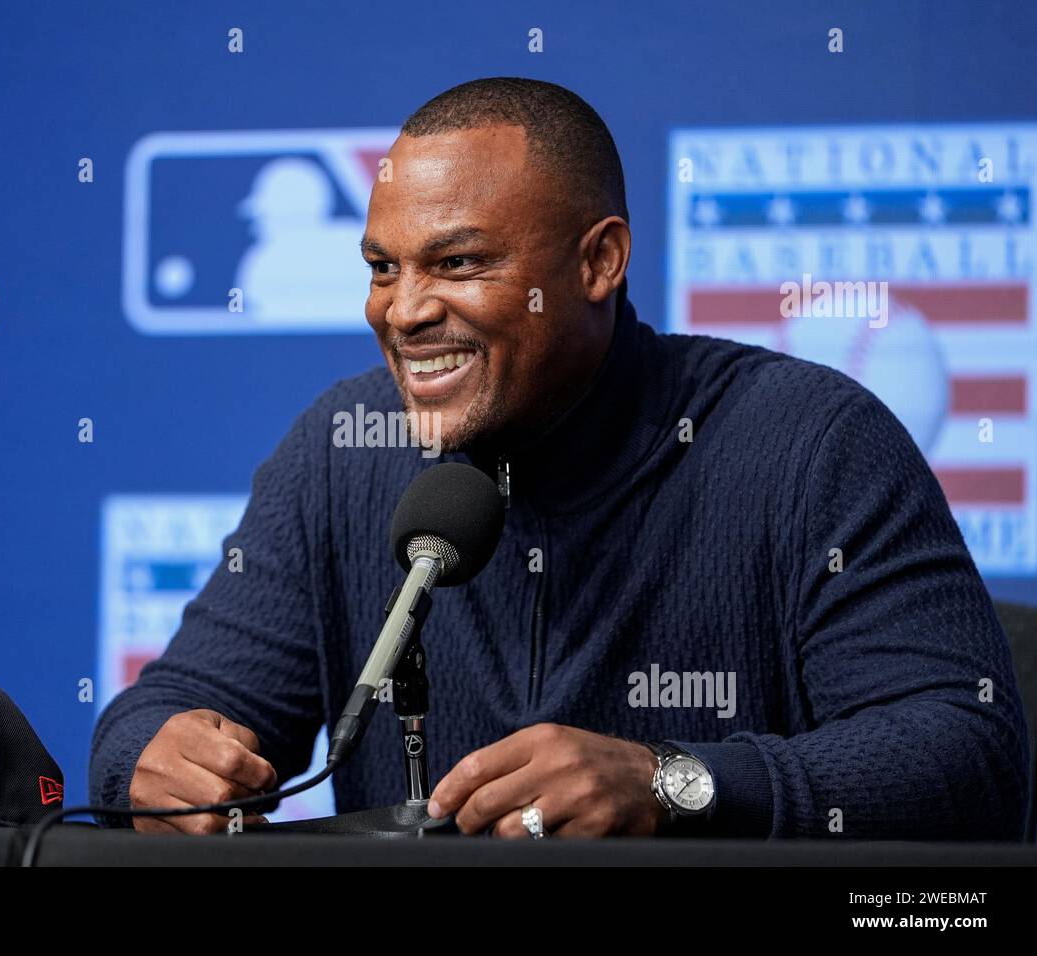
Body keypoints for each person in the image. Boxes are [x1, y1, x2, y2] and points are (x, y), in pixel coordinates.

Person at [90, 77, 1029, 839]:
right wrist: (151, 756)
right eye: (383, 267)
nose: (403, 310)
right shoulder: (343, 450)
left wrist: (674, 785)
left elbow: (967, 752)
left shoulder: (811, 443)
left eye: (457, 264)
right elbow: (173, 707)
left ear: (599, 262)